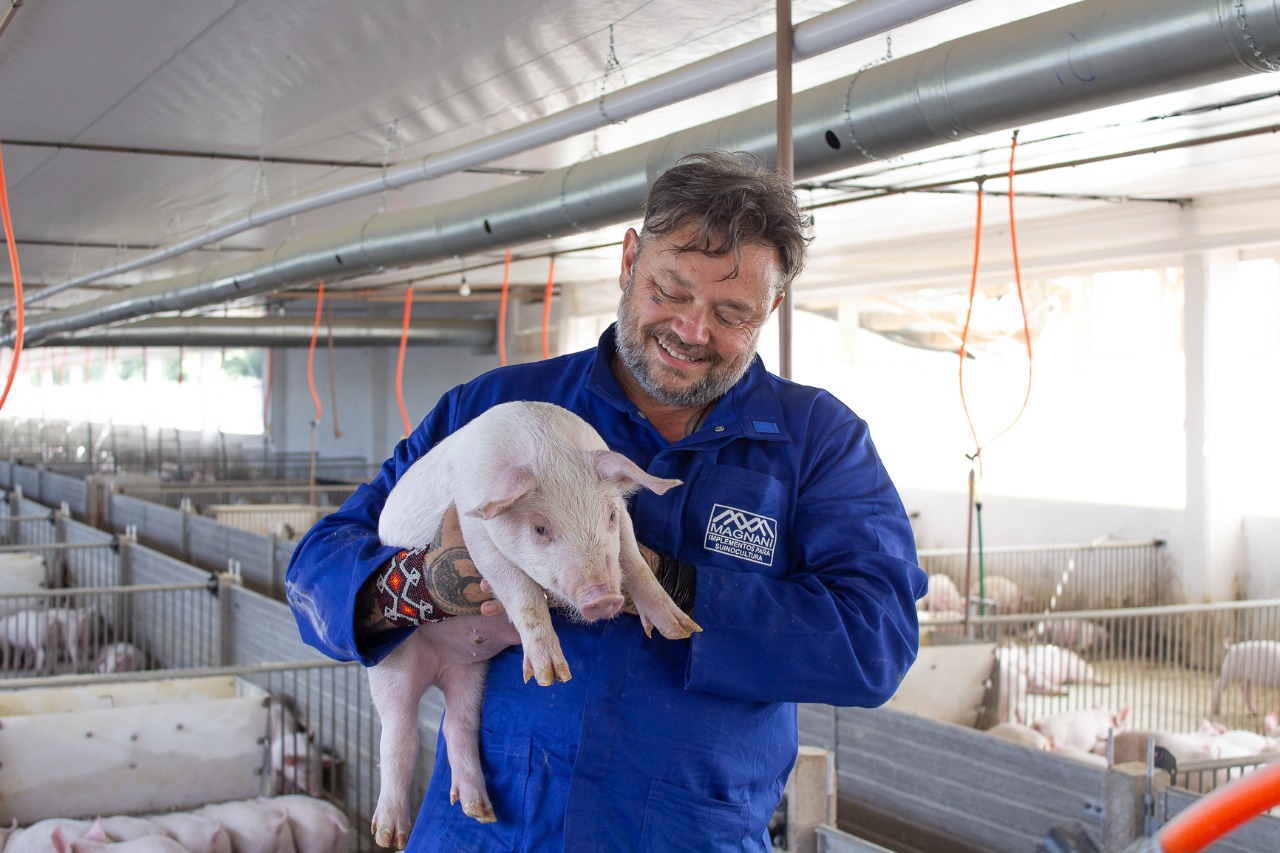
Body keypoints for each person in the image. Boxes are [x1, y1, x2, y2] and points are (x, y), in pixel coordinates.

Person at [286, 150, 927, 852]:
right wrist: (421, 585)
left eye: (731, 311)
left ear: (771, 308)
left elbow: (875, 641)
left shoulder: (818, 442)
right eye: (670, 290)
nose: (691, 329)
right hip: (486, 833)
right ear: (628, 261)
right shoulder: (497, 409)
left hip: (690, 836)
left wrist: (664, 582)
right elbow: (316, 571)